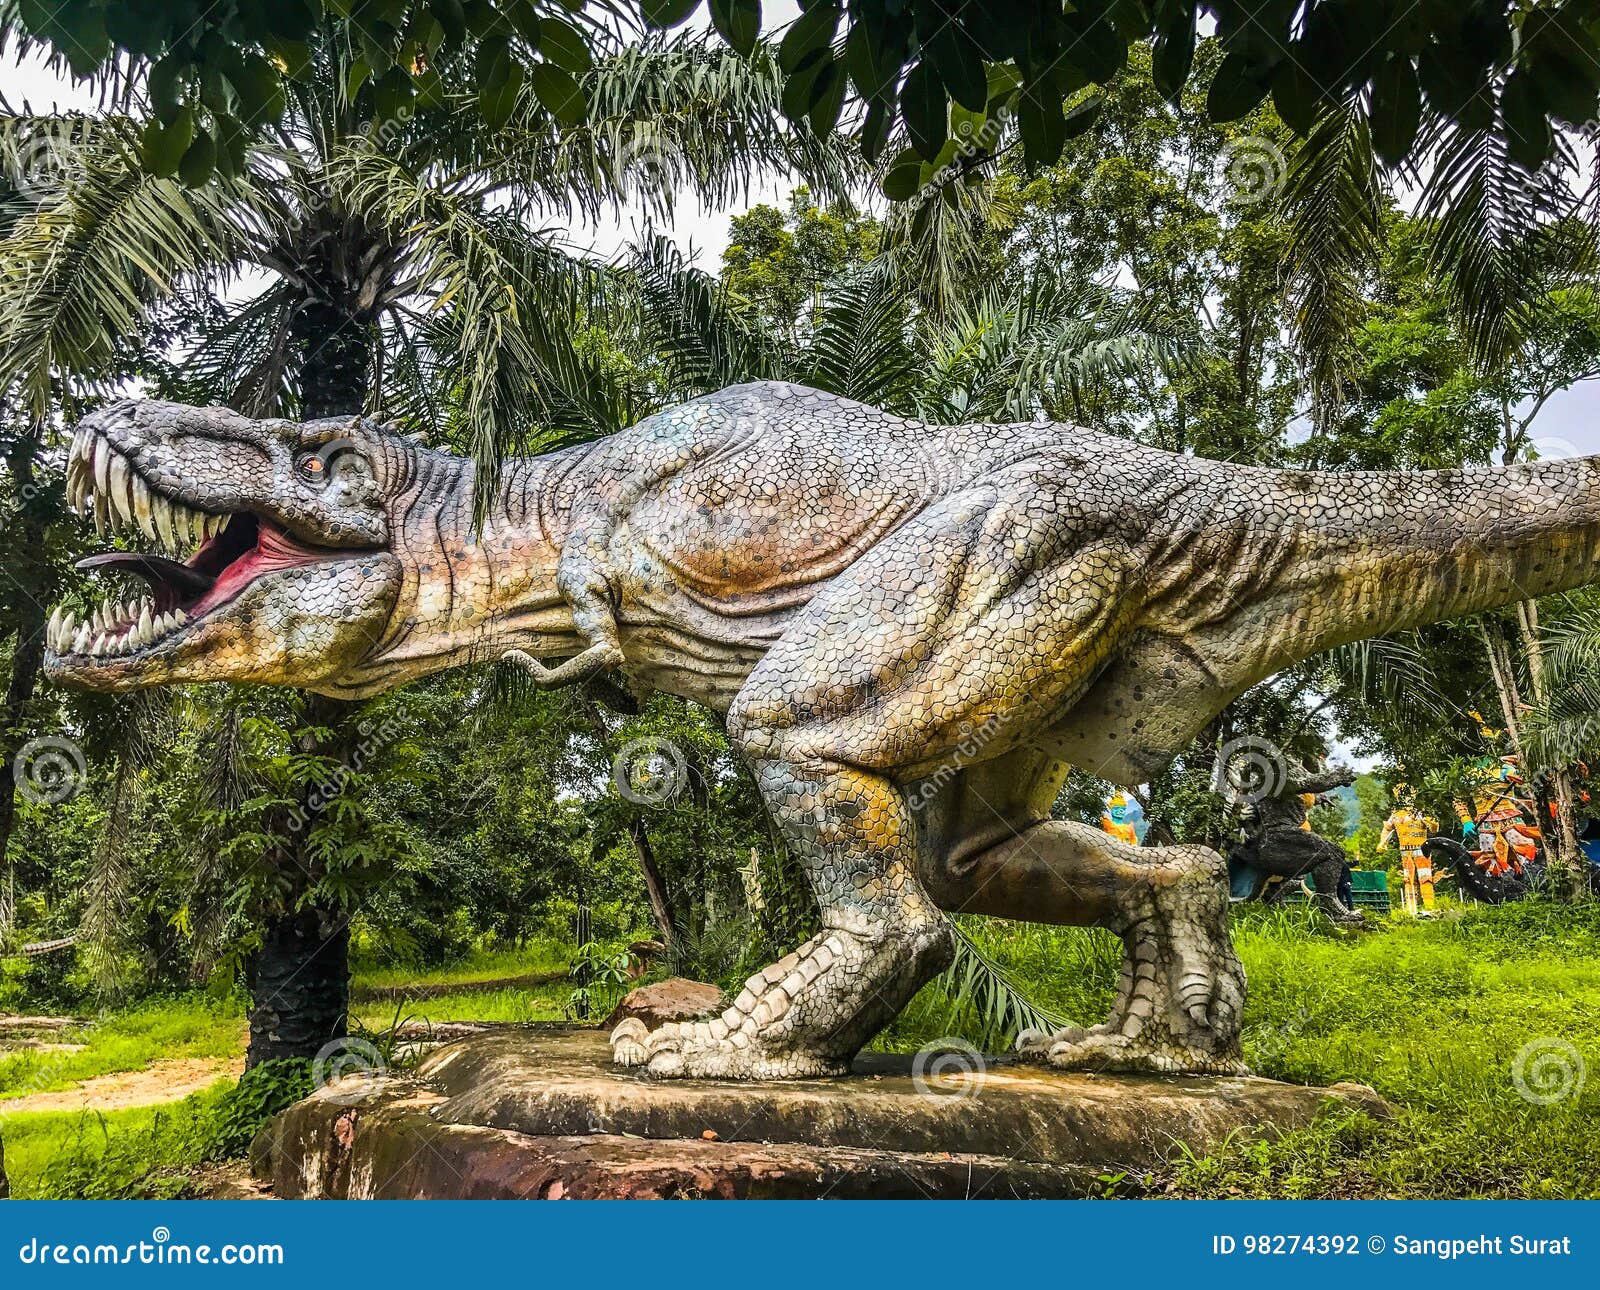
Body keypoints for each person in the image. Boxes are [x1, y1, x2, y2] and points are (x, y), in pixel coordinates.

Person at [1379, 784, 1438, 916]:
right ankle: (1411, 909)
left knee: (1425, 877)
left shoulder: (1421, 811)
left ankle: (1429, 907)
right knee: (1408, 879)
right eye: (1401, 795)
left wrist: (1428, 820)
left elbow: (1434, 828)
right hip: (1405, 851)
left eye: (1406, 794)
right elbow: (1387, 829)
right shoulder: (1396, 814)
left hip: (1422, 850)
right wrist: (1382, 842)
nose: (1404, 797)